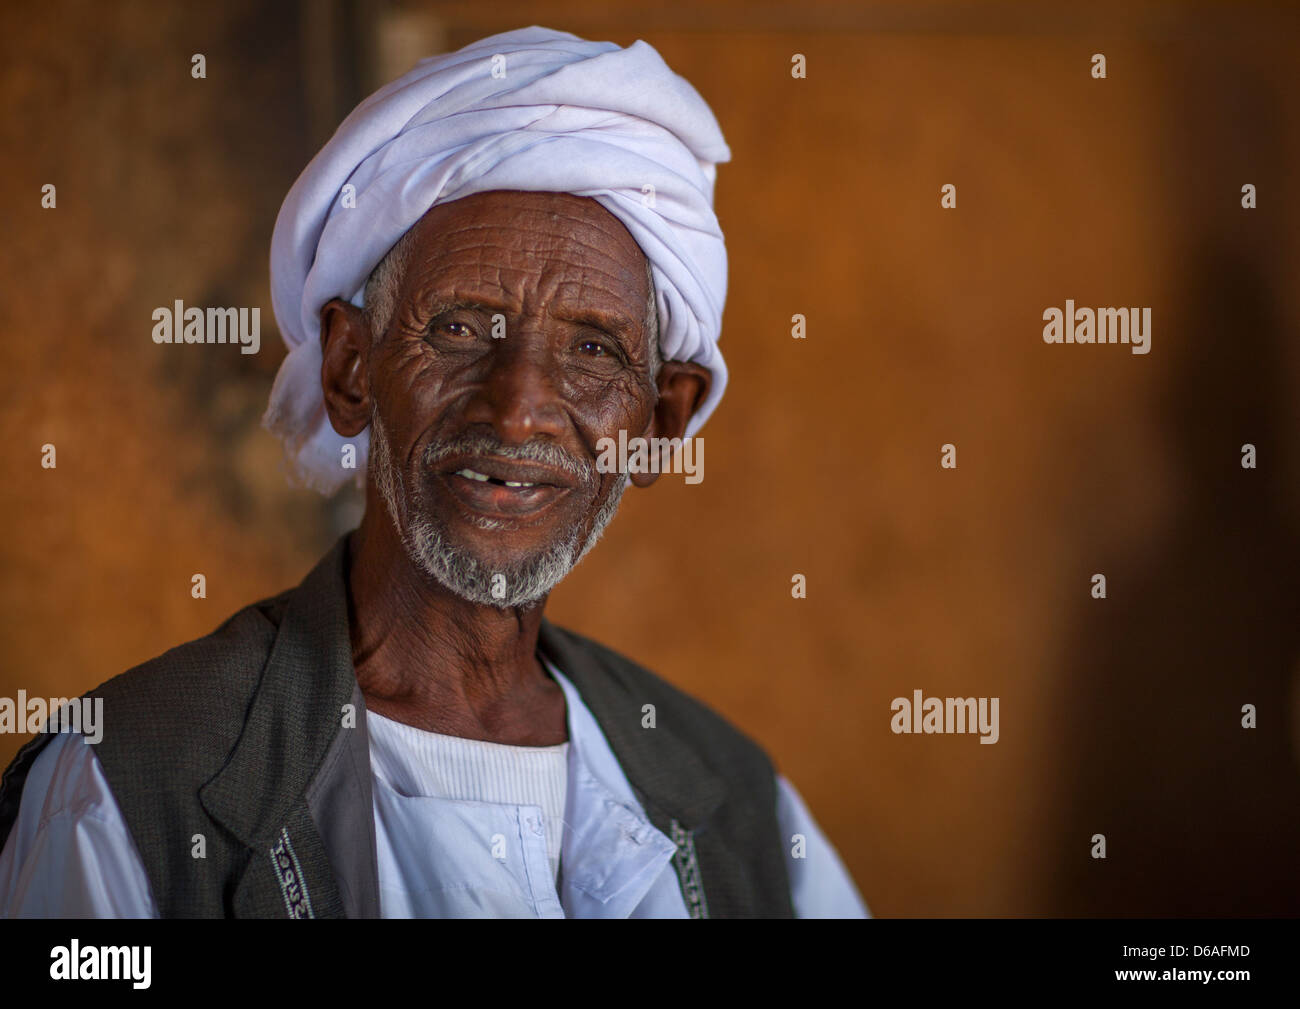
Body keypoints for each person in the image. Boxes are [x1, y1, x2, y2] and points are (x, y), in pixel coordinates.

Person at [0, 26, 868, 919]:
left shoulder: (740, 810)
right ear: (349, 369)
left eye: (593, 349)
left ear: (659, 419)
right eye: (458, 329)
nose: (519, 405)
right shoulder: (131, 788)